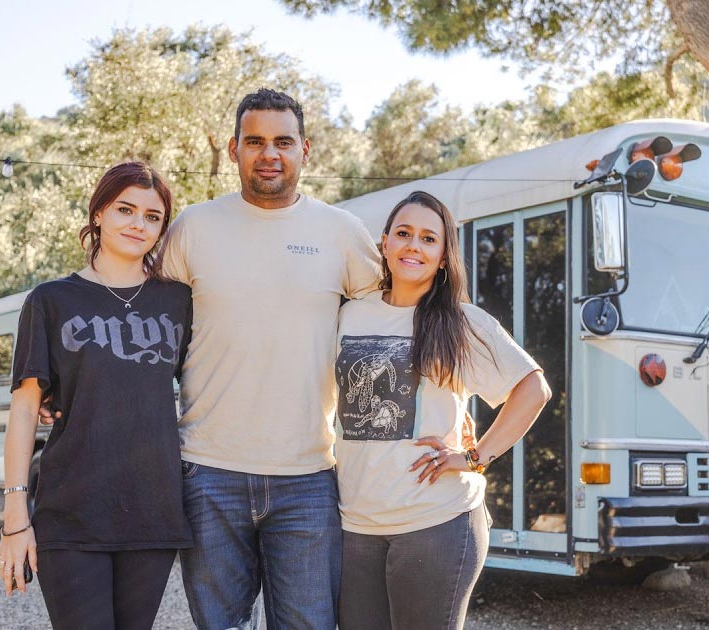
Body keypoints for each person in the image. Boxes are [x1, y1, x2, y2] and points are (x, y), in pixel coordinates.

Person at [158, 89, 381, 629]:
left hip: (308, 476)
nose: (269, 154)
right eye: (254, 141)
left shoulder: (343, 233)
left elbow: (398, 320)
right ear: (233, 149)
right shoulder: (192, 227)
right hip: (209, 470)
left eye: (283, 141)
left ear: (306, 149)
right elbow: (146, 326)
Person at [335, 191, 552, 630]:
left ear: (443, 256)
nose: (413, 245)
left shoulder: (461, 321)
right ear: (384, 243)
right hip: (355, 524)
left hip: (434, 522)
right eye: (403, 233)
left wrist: (473, 457)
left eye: (428, 239)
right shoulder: (349, 315)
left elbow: (533, 389)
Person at [0, 162, 192, 629]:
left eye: (152, 216)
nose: (137, 224)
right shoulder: (51, 300)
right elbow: (25, 409)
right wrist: (14, 518)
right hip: (71, 510)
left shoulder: (180, 301)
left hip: (153, 510)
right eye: (125, 209)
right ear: (99, 214)